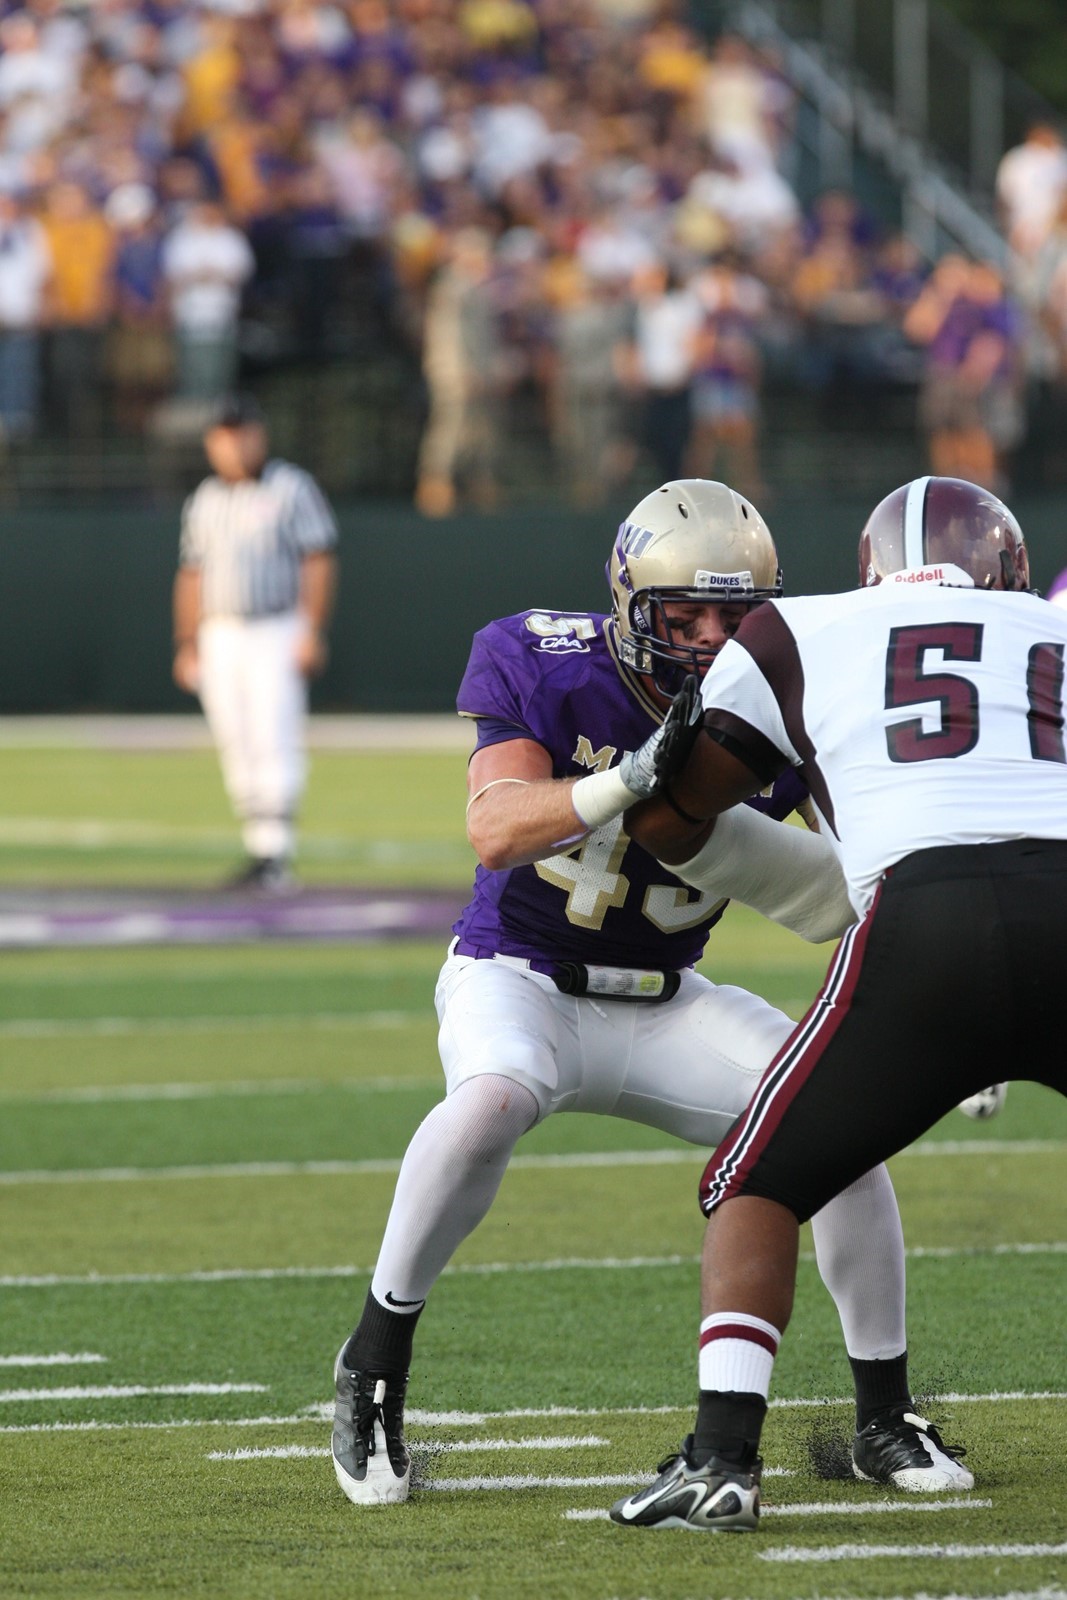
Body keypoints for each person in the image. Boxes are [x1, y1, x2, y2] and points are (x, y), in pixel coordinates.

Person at [331, 478, 974, 1507]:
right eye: (684, 617)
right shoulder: (541, 658)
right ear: (630, 604)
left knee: (844, 1131)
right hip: (519, 976)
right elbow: (496, 827)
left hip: (669, 998)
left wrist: (950, 1002)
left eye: (735, 617)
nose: (712, 642)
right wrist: (627, 779)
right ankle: (372, 1363)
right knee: (487, 1099)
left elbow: (860, 865)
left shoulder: (785, 684)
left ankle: (883, 1416)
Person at [610, 475, 1067, 1531]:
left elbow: (675, 810)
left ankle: (720, 1457)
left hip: (922, 924)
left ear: (867, 570)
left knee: (755, 1180)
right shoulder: (1045, 627)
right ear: (1001, 565)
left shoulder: (794, 631)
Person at [172, 394, 339, 889]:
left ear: (259, 436)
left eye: (242, 433)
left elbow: (319, 557)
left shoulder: (290, 487)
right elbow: (190, 571)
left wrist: (311, 628)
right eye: (224, 435)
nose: (234, 445)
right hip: (220, 630)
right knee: (234, 737)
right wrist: (187, 639)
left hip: (275, 624)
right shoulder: (205, 498)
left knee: (274, 731)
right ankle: (258, 846)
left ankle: (276, 851)